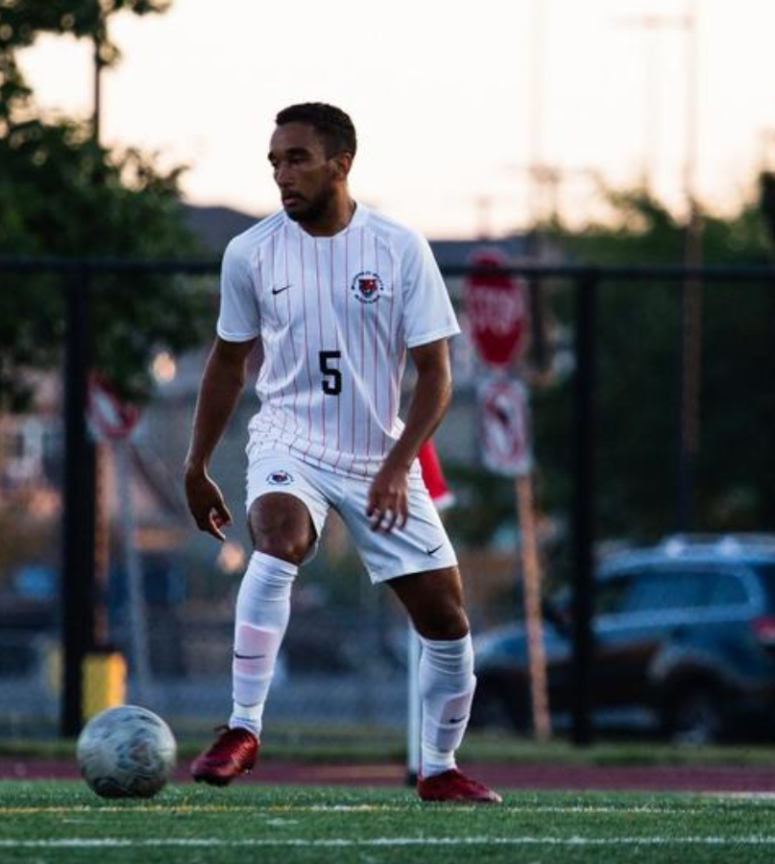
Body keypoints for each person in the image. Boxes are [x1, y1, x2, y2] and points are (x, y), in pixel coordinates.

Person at [182, 102, 501, 804]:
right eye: (273, 162)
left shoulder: (398, 247)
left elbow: (437, 377)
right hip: (287, 438)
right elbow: (228, 363)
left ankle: (439, 766)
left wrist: (397, 468)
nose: (282, 175)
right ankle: (241, 728)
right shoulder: (250, 253)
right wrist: (196, 463)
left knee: (447, 621)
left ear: (341, 162)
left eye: (296, 159)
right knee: (280, 540)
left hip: (376, 457)